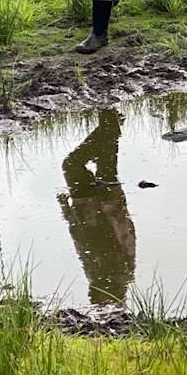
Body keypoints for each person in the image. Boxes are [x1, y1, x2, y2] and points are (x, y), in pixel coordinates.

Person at [56, 108, 137, 307]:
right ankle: (108, 125)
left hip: (87, 208)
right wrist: (108, 206)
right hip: (106, 206)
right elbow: (125, 233)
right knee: (99, 167)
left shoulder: (97, 275)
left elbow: (81, 243)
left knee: (74, 165)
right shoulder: (120, 272)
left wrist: (68, 212)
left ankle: (108, 126)